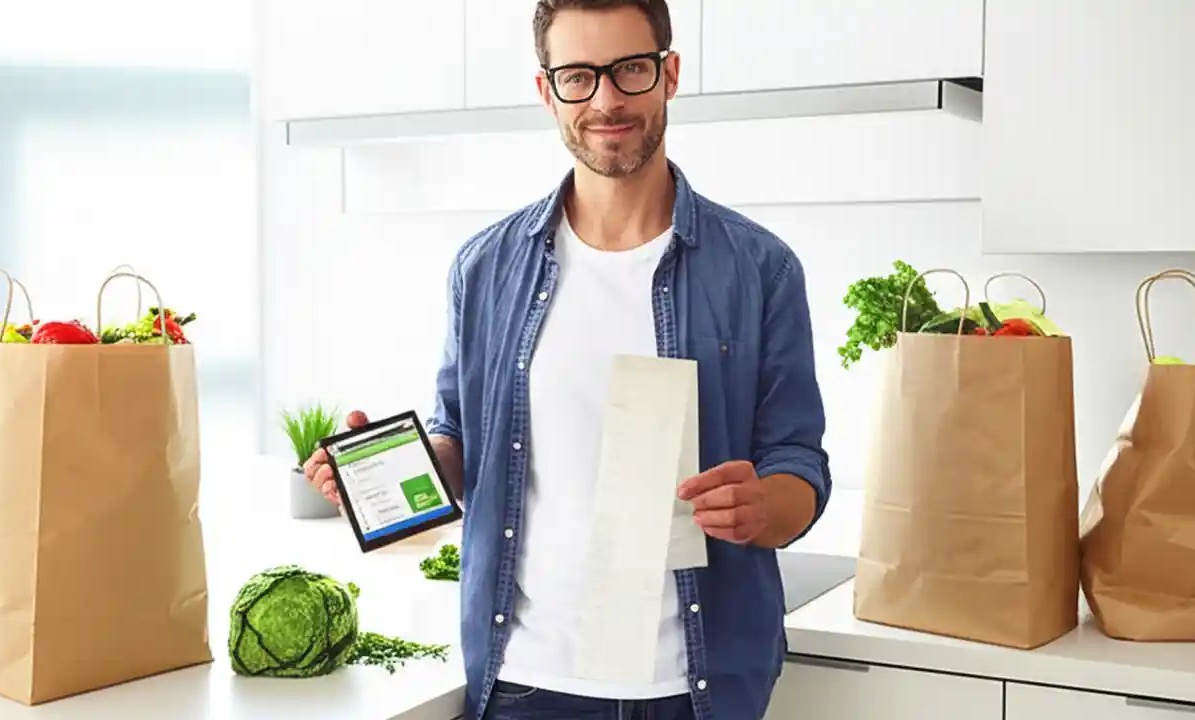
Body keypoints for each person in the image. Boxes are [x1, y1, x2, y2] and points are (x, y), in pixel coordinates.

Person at [303, 1, 831, 718]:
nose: (607, 99)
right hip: (527, 679)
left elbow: (799, 464)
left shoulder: (760, 269)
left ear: (669, 74)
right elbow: (459, 440)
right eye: (579, 76)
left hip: (695, 689)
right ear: (547, 91)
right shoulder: (485, 267)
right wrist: (386, 470)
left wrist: (763, 507)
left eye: (631, 70)